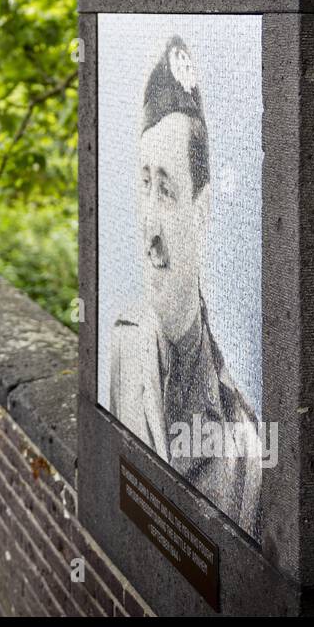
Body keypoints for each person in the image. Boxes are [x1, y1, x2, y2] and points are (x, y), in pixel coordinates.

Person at [108, 36, 263, 537]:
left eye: (168, 190)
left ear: (202, 211)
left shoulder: (245, 444)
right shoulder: (121, 346)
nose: (149, 223)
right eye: (144, 183)